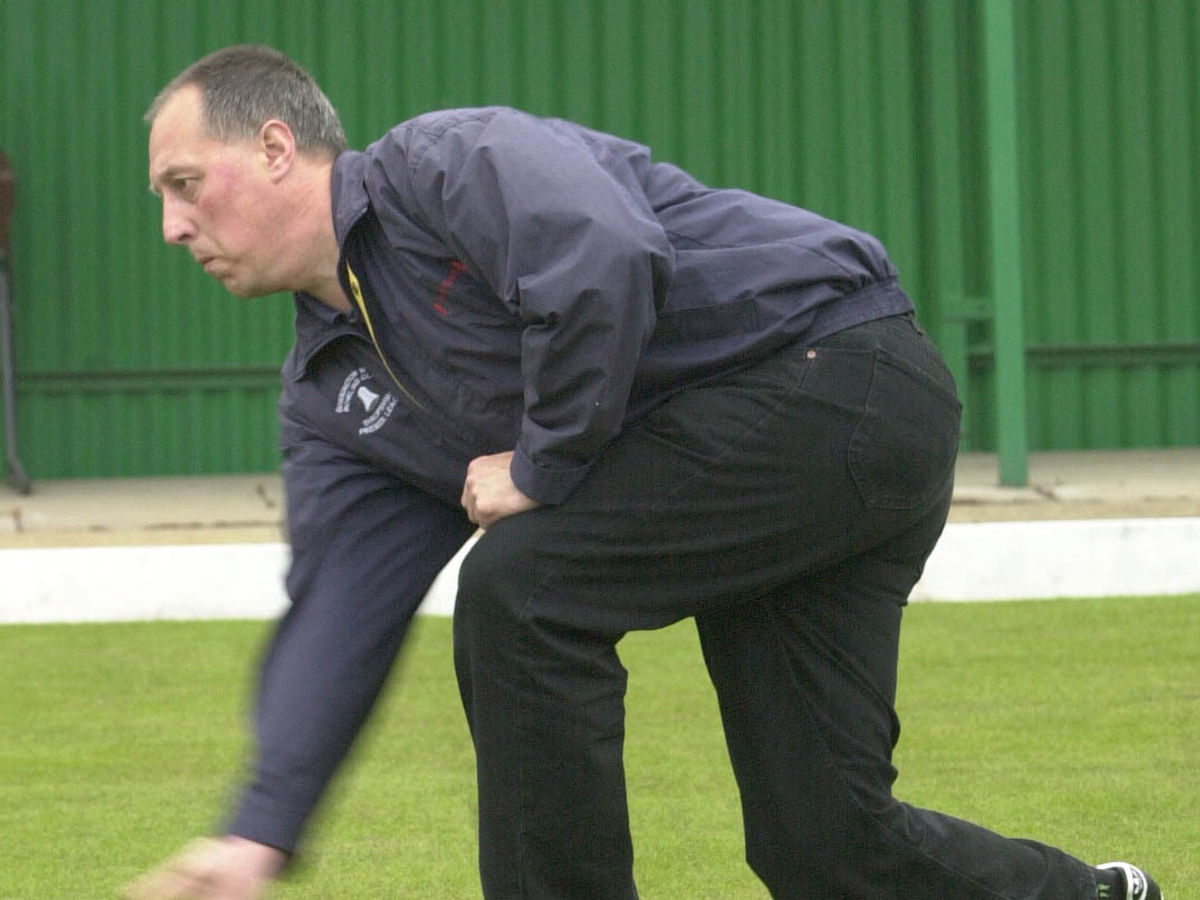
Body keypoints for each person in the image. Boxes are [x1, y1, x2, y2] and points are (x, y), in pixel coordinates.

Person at [128, 44, 1162, 900]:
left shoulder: (444, 164)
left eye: (185, 184)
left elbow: (603, 256)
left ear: (274, 148)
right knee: (824, 848)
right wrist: (259, 830)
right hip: (771, 458)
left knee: (523, 588)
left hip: (842, 379)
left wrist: (546, 460)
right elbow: (340, 613)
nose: (173, 228)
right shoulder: (327, 395)